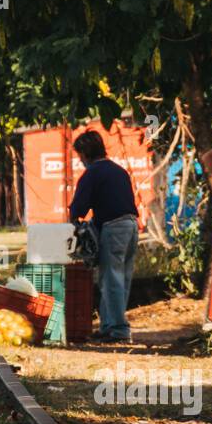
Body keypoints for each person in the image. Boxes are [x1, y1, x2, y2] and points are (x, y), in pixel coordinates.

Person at [68, 130, 140, 343]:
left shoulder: (93, 173)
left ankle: (118, 329)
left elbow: (79, 207)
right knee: (121, 278)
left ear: (85, 153)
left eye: (80, 155)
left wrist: (73, 221)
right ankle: (109, 325)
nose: (80, 160)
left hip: (113, 227)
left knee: (111, 279)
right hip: (131, 226)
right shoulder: (118, 170)